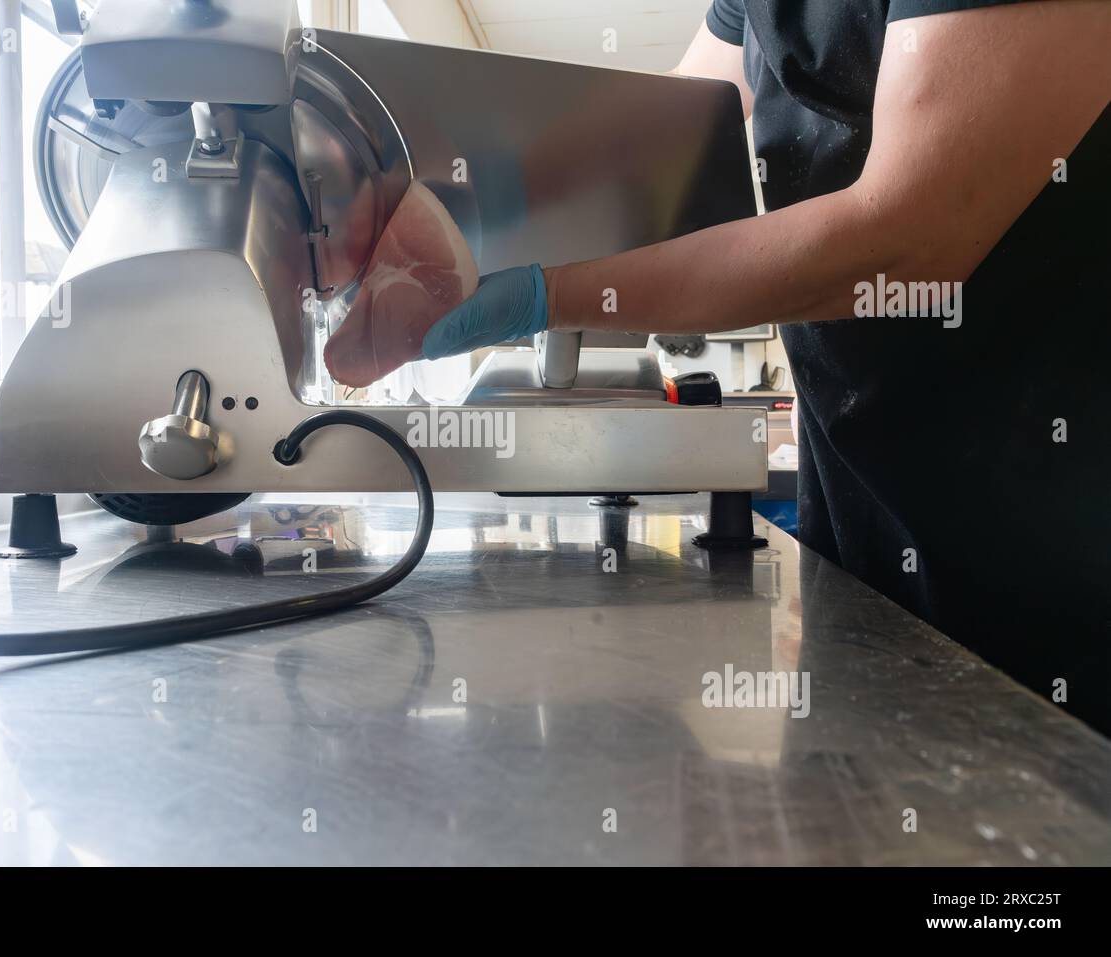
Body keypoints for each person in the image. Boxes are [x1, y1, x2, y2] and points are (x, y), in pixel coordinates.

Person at [421, 0, 1111, 734]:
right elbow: (669, 131)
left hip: (1052, 534)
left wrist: (548, 295)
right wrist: (465, 195)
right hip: (858, 511)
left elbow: (905, 237)